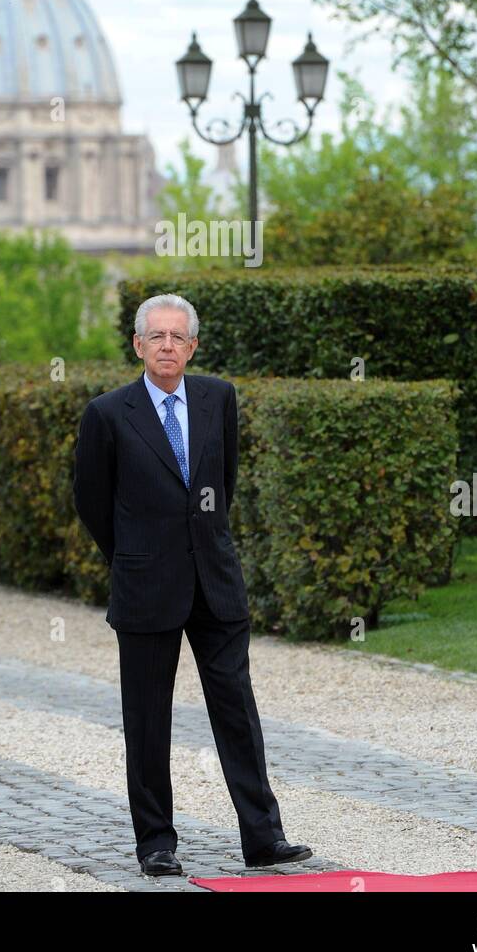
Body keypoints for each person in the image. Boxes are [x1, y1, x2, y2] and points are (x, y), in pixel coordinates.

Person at [72, 292, 312, 877]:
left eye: (179, 337)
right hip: (146, 586)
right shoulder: (107, 414)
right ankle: (156, 842)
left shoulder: (218, 398)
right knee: (148, 720)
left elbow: (219, 486)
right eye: (157, 337)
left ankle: (263, 838)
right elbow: (93, 503)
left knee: (237, 711)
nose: (168, 346)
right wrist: (135, 556)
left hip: (216, 582)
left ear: (194, 345)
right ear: (138, 345)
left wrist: (201, 544)